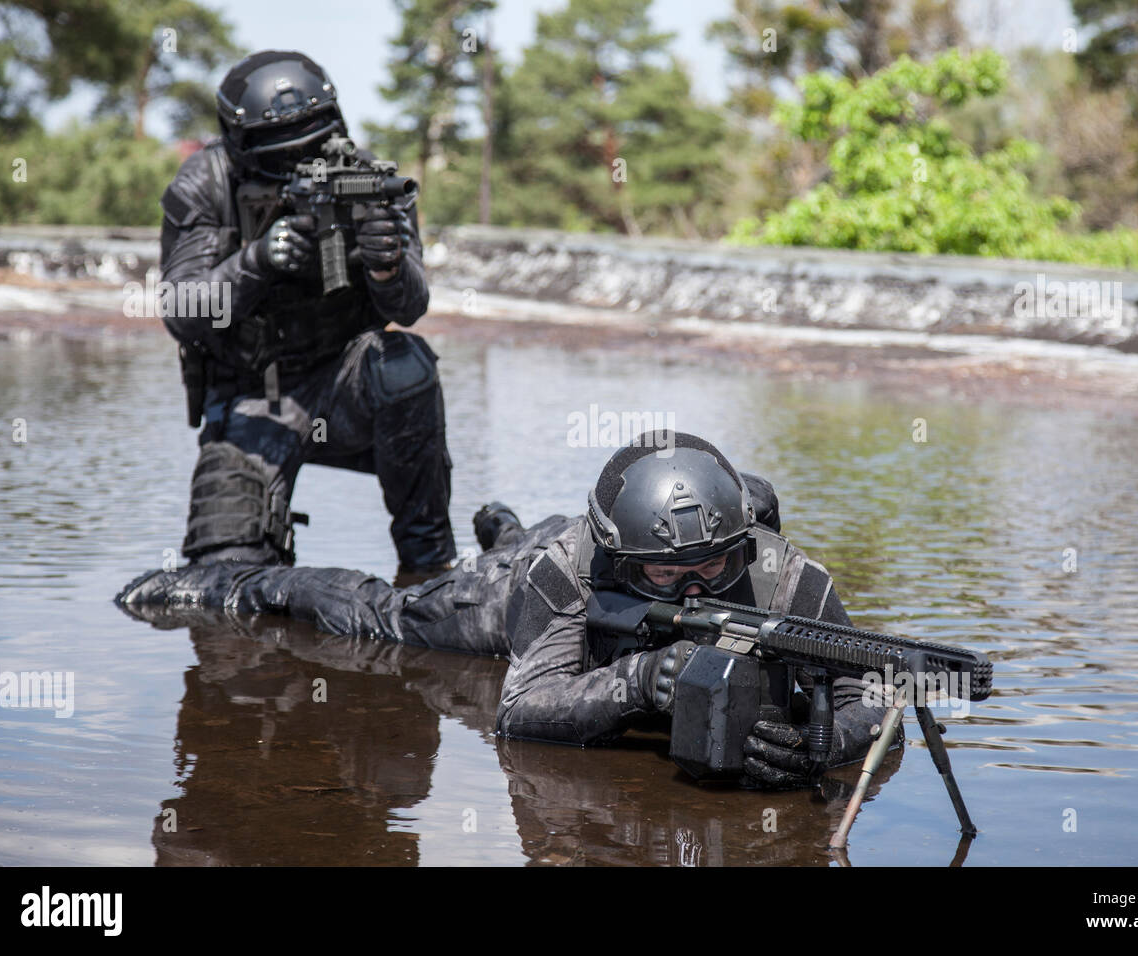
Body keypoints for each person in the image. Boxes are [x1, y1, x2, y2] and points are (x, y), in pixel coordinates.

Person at [119, 431, 895, 789]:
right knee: (391, 617)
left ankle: (505, 526)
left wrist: (822, 743)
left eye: (713, 566)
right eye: (667, 571)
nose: (696, 585)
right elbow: (521, 713)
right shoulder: (567, 575)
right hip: (517, 586)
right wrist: (639, 683)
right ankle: (230, 583)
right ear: (623, 559)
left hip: (571, 547)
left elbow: (880, 702)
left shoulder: (788, 580)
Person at [157, 49, 455, 575]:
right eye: (282, 157)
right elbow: (181, 310)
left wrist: (387, 267)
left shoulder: (370, 179)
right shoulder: (205, 184)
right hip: (250, 395)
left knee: (406, 364)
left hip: (345, 388)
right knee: (225, 579)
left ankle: (428, 565)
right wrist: (257, 260)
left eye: (314, 145)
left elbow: (409, 309)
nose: (301, 165)